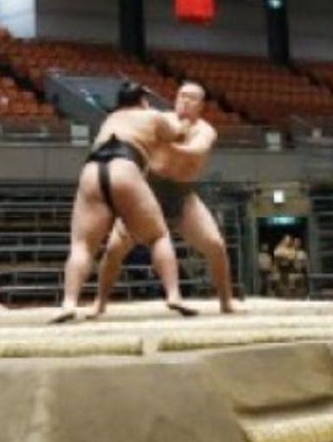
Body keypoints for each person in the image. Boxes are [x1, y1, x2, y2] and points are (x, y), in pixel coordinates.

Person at [93, 81, 238, 314]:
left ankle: (226, 302)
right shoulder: (159, 120)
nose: (185, 101)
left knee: (216, 245)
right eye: (181, 96)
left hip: (182, 193)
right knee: (114, 250)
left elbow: (196, 151)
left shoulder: (206, 130)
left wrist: (168, 146)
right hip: (147, 192)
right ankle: (99, 303)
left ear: (201, 105)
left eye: (191, 98)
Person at [54, 81, 193, 322]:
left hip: (92, 170)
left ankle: (68, 303)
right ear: (142, 101)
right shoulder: (151, 115)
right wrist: (184, 119)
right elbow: (178, 134)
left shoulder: (109, 119)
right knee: (158, 236)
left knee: (82, 245)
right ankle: (174, 295)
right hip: (125, 167)